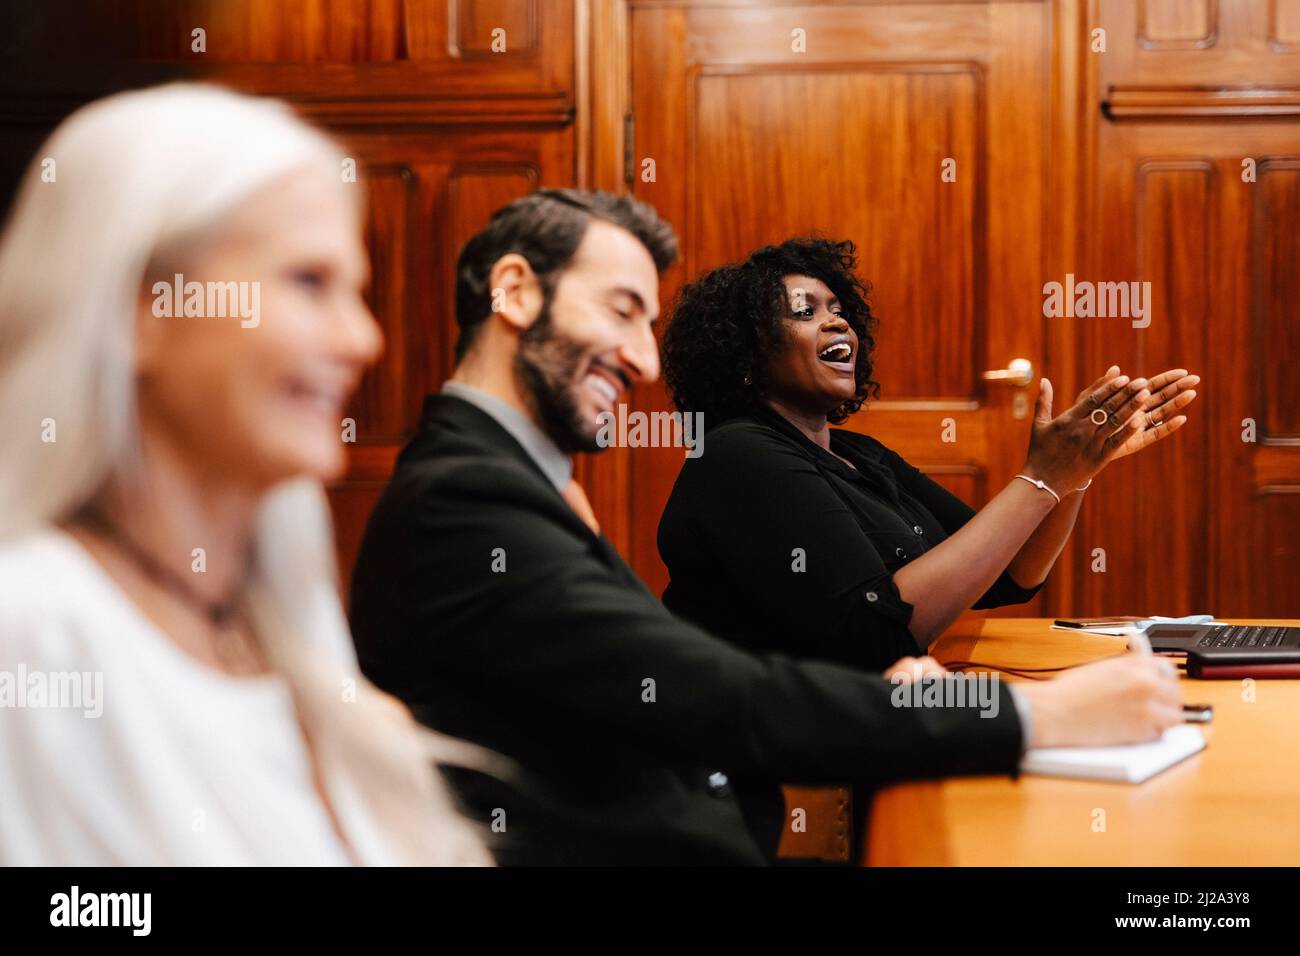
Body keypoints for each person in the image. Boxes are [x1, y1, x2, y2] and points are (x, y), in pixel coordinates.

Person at [348, 189, 1183, 865]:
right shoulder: (466, 498)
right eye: (621, 310)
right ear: (519, 293)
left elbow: (673, 685)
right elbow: (722, 690)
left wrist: (1061, 478)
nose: (643, 361)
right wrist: (1033, 718)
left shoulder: (503, 478)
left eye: (648, 325)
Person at [0, 84, 489, 865]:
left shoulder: (282, 625)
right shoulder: (33, 638)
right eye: (307, 283)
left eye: (356, 290)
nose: (363, 338)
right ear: (141, 310)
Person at [658, 238, 1199, 671]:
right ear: (746, 357)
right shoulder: (739, 455)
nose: (838, 322)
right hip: (770, 763)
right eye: (805, 311)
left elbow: (1012, 574)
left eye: (840, 310)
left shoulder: (859, 454)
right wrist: (1041, 477)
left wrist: (1075, 474)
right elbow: (878, 635)